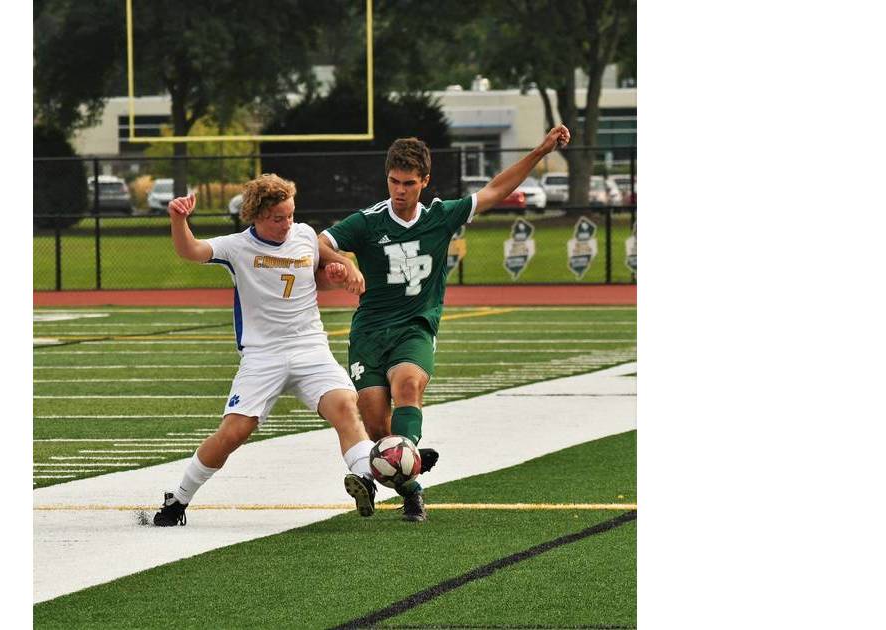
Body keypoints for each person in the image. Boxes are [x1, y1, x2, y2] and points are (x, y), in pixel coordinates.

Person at [319, 125, 572, 522]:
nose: (399, 190)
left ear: (424, 182)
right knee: (376, 426)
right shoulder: (367, 222)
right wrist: (343, 263)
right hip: (368, 331)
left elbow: (495, 190)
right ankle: (412, 484)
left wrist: (540, 151)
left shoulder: (441, 216)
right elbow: (320, 242)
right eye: (393, 181)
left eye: (408, 183)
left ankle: (396, 464)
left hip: (415, 325)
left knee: (408, 384)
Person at [152, 173, 379, 526]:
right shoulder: (236, 246)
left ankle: (365, 481)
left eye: (290, 215)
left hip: (310, 348)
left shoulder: (303, 234)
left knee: (346, 408)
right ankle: (177, 500)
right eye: (278, 218)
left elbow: (327, 261)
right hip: (263, 355)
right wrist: (179, 219)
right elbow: (191, 250)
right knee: (234, 433)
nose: (287, 224)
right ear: (256, 215)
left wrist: (343, 268)